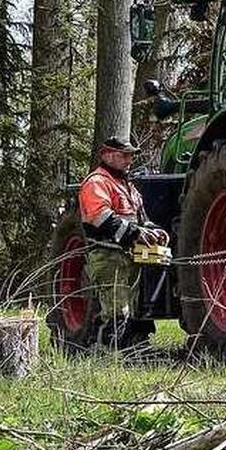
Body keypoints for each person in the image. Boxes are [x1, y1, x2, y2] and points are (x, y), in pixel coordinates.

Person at [78, 136, 169, 347]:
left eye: (130, 156)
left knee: (133, 309)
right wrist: (135, 233)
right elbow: (99, 217)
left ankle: (131, 351)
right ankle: (106, 354)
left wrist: (153, 231)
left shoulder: (126, 186)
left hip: (128, 256)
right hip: (107, 256)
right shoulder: (96, 182)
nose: (129, 160)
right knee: (116, 310)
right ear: (107, 155)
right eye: (124, 155)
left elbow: (140, 218)